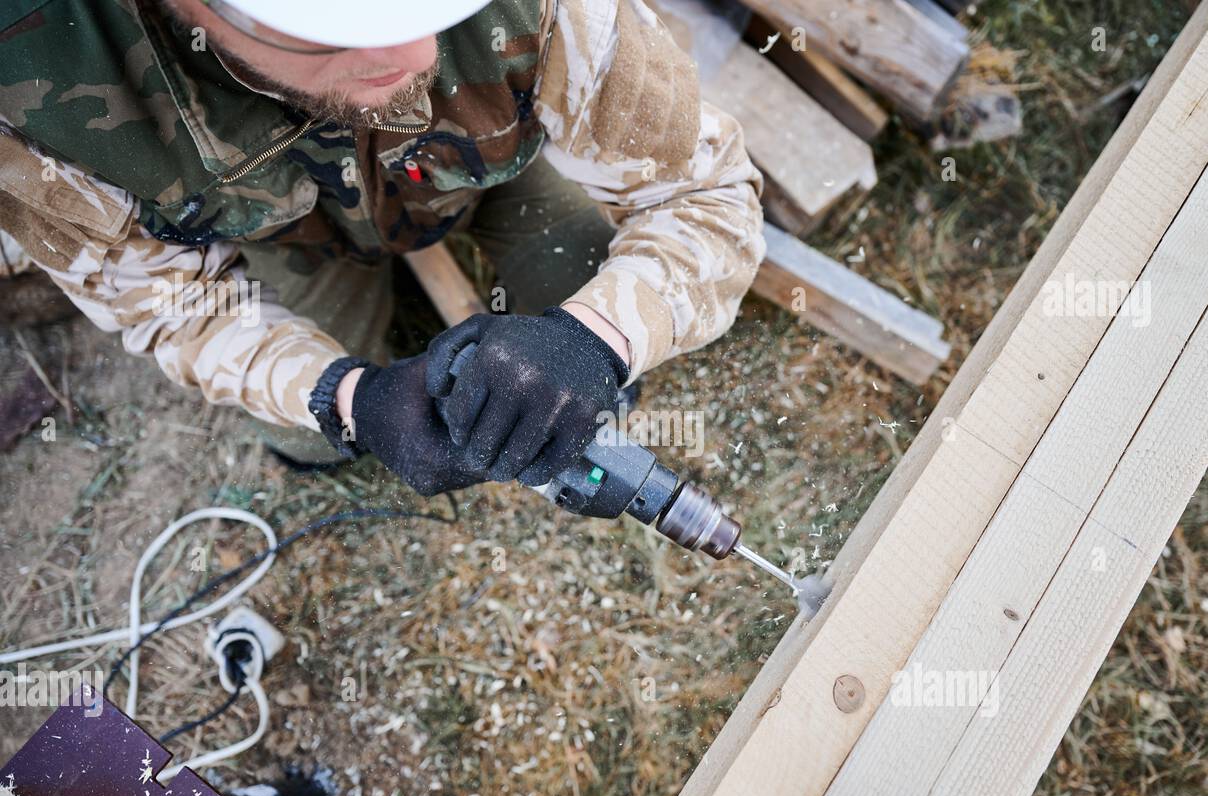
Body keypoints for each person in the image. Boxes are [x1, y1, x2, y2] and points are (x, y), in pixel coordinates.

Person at [0, 0, 764, 493]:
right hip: (282, 235)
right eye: (345, 33)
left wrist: (597, 339)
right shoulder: (31, 98)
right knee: (310, 444)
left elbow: (704, 193)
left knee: (590, 309)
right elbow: (174, 309)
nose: (421, 57)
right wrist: (348, 400)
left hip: (477, 172)